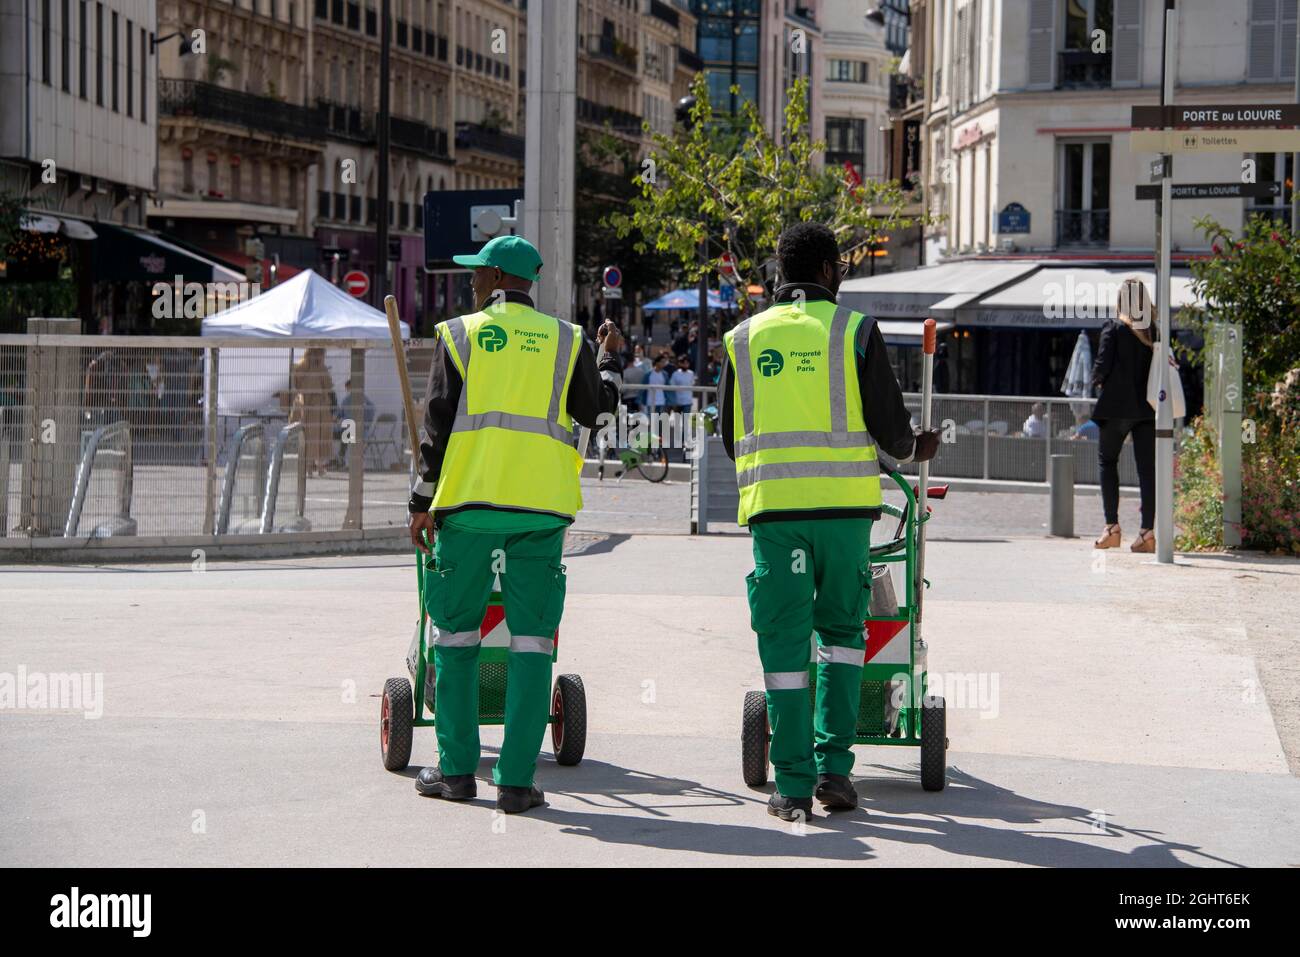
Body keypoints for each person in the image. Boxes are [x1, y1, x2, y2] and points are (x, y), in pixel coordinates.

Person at [718, 222, 940, 821]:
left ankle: (790, 785)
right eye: (839, 266)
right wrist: (917, 447)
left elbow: (728, 436)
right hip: (845, 515)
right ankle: (836, 772)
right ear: (824, 271)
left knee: (785, 645)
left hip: (775, 515)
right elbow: (891, 431)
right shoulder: (855, 331)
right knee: (843, 638)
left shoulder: (742, 338)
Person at [407, 235, 623, 814]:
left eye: (478, 273)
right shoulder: (568, 339)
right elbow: (599, 414)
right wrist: (608, 360)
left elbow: (437, 429)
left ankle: (455, 773)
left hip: (469, 510)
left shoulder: (460, 334)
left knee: (455, 638)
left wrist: (420, 503)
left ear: (497, 276)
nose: (471, 281)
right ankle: (516, 783)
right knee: (532, 643)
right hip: (541, 510)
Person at [1091, 277, 1156, 553]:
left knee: (1108, 463)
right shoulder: (1154, 331)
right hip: (1147, 409)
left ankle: (1112, 528)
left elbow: (1102, 366)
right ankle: (1147, 533)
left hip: (1116, 408)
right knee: (1147, 471)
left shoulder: (1114, 328)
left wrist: (1097, 379)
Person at [334, 378, 377, 467]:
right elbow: (340, 413)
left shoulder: (359, 399)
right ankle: (341, 458)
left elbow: (340, 414)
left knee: (344, 434)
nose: (347, 390)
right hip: (354, 429)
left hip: (356, 430)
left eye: (348, 388)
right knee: (344, 433)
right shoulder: (353, 399)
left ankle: (341, 459)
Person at [622, 344, 650, 413]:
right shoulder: (641, 372)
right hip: (639, 399)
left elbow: (623, 390)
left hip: (628, 399)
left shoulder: (625, 373)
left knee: (628, 421)